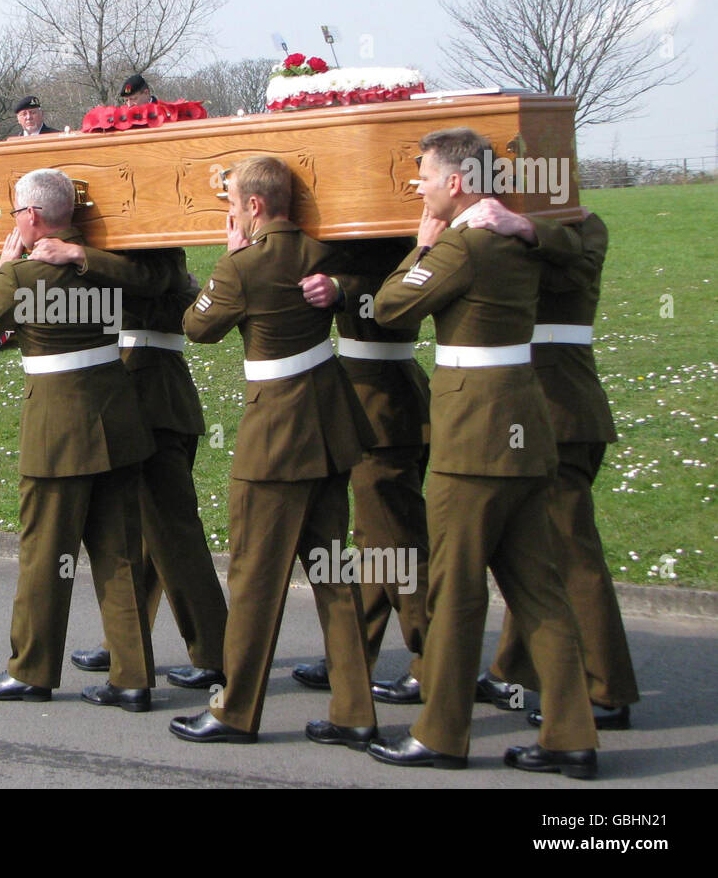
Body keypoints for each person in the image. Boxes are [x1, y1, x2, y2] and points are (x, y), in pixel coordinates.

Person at [367, 127, 598, 779]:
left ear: (459, 184)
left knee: (456, 587)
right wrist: (528, 227)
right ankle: (571, 738)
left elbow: (388, 309)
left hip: (474, 440)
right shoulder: (518, 237)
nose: (419, 184)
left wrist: (421, 247)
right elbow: (577, 250)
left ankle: (441, 734)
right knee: (539, 591)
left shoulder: (463, 247)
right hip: (526, 425)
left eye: (427, 175)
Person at [169, 155, 378, 747]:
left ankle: (235, 711)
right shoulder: (319, 252)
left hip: (278, 438)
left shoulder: (244, 266)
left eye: (232, 203)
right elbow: (368, 279)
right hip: (330, 426)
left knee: (256, 578)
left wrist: (229, 257)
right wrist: (342, 291)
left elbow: (196, 326)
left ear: (254, 207)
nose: (229, 213)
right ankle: (355, 712)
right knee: (334, 573)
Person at [0, 168, 157, 711]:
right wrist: (78, 255)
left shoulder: (22, 276)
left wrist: (5, 268)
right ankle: (133, 678)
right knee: (118, 556)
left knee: (46, 555)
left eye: (13, 212)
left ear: (30, 217)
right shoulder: (105, 265)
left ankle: (31, 670)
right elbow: (149, 278)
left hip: (57, 432)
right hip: (116, 421)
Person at [466, 200, 639, 731]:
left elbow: (572, 269)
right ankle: (515, 672)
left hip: (561, 413)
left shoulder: (577, 227)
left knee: (570, 550)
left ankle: (604, 688)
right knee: (529, 545)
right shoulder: (524, 228)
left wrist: (517, 226)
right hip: (541, 408)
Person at [28, 240, 228, 690]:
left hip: (153, 399)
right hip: (140, 391)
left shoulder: (155, 262)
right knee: (142, 536)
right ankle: (127, 645)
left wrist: (79, 256)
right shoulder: (129, 260)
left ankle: (217, 651)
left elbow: (150, 278)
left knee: (173, 533)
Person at [294, 238, 432, 704]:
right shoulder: (359, 237)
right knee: (375, 536)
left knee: (398, 543)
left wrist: (338, 288)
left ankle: (435, 661)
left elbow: (393, 288)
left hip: (384, 403)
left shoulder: (399, 240)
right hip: (371, 394)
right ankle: (354, 653)